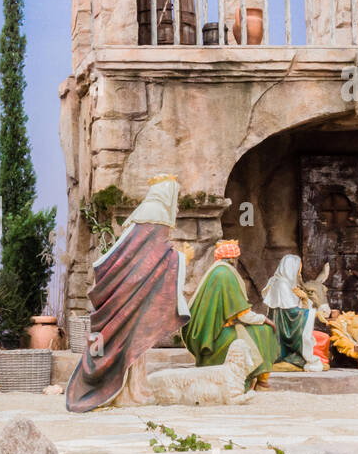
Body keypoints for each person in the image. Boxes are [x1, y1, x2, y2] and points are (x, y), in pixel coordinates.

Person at [66, 174, 192, 412]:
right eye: (175, 195)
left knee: (134, 343)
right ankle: (132, 392)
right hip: (135, 294)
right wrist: (182, 257)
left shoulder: (143, 214)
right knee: (134, 343)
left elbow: (141, 257)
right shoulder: (157, 214)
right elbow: (157, 255)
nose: (176, 204)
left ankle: (135, 389)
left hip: (131, 292)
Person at [181, 239, 279, 390]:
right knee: (264, 332)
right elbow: (243, 315)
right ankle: (261, 382)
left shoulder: (217, 270)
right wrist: (265, 319)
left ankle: (259, 381)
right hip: (215, 337)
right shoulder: (226, 274)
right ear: (234, 259)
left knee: (254, 330)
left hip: (209, 333)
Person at [261, 254, 325, 372]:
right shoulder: (281, 284)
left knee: (322, 338)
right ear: (291, 267)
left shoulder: (286, 283)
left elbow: (292, 308)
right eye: (298, 268)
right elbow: (292, 314)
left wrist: (304, 299)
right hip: (284, 331)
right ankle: (291, 358)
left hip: (286, 326)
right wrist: (313, 314)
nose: (299, 272)